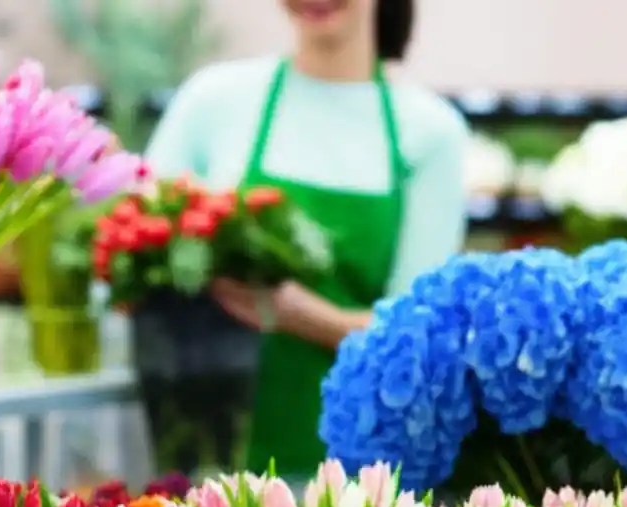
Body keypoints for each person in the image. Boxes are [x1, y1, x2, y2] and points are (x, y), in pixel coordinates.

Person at [145, 0, 468, 479]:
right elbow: (132, 241)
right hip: (207, 455)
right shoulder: (212, 101)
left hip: (359, 474)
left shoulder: (431, 132)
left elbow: (417, 334)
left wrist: (303, 316)